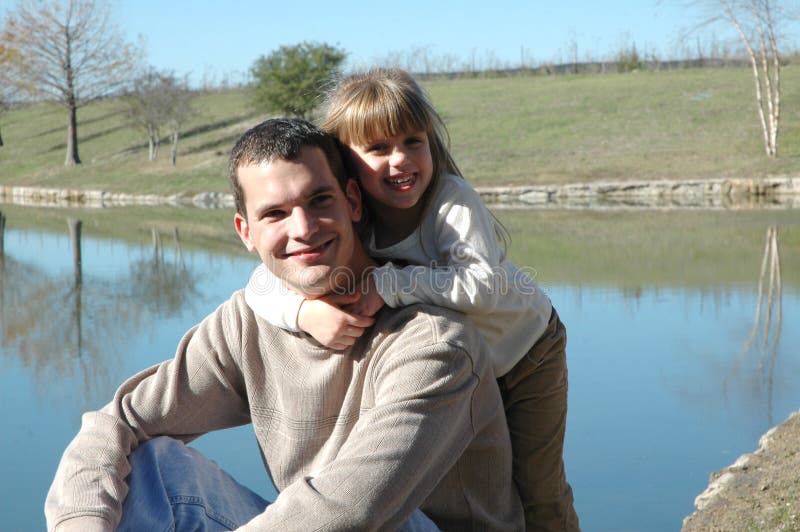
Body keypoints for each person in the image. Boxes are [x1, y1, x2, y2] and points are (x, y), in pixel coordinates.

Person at [44, 118, 524, 531]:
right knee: (151, 469)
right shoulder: (247, 324)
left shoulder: (434, 345)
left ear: (353, 202)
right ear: (245, 232)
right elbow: (116, 424)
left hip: (384, 524)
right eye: (275, 213)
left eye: (319, 201)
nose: (303, 229)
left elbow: (350, 511)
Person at [245, 68, 580, 531]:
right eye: (378, 148)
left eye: (412, 141)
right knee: (478, 489)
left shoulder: (450, 200)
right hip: (462, 367)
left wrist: (390, 285)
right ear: (346, 161)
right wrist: (304, 311)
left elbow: (481, 287)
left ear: (431, 142)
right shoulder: (348, 213)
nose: (399, 160)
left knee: (538, 489)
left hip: (525, 356)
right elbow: (259, 285)